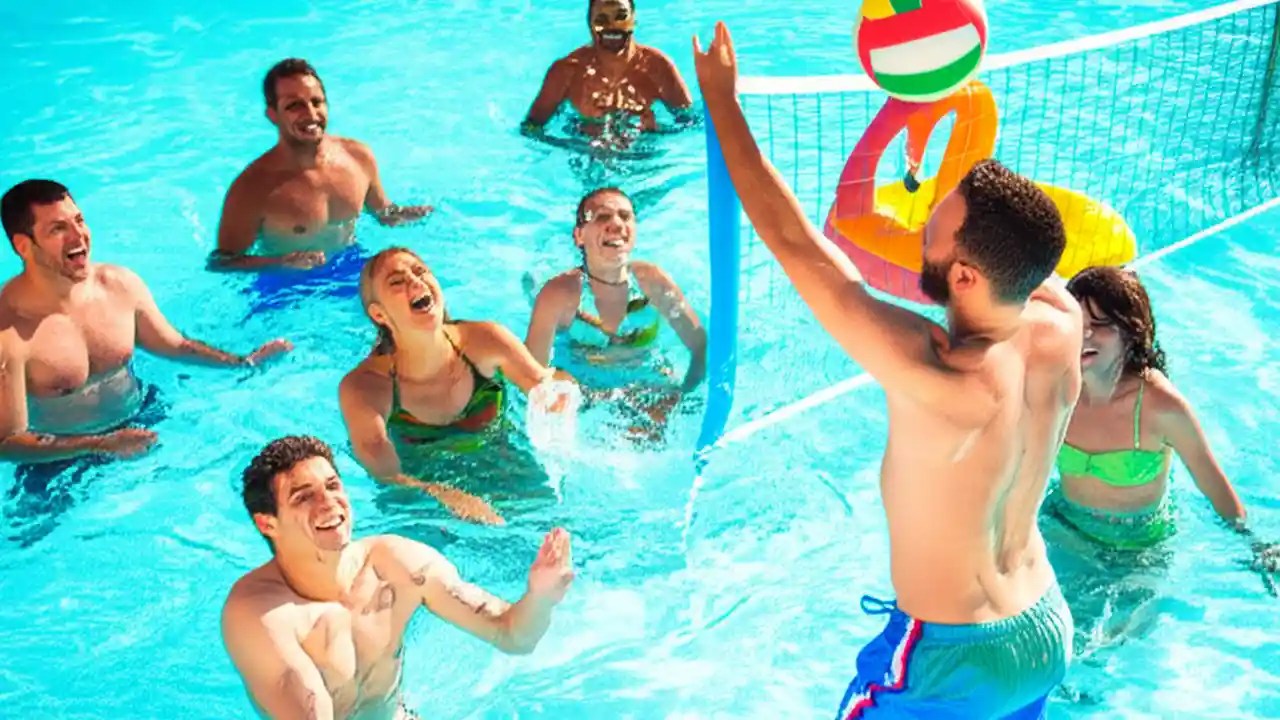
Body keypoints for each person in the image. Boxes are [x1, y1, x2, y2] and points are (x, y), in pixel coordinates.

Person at [694, 23, 1079, 719]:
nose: (919, 227)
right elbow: (1017, 245)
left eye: (932, 230)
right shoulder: (1060, 320)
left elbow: (797, 247)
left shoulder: (939, 373)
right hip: (1045, 628)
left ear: (965, 275)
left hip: (950, 658)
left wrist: (722, 102)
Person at [221, 435, 573, 719]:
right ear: (267, 524)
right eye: (304, 497)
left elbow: (513, 635)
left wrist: (540, 597)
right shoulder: (259, 615)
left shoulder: (397, 564)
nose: (329, 503)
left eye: (333, 486)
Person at [0, 179, 290, 464]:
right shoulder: (9, 332)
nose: (79, 237)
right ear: (24, 246)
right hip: (61, 459)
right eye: (58, 229)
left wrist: (242, 363)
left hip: (145, 417)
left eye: (79, 221)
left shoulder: (118, 285)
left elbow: (175, 345)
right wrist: (99, 445)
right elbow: (6, 442)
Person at [339, 248, 578, 524]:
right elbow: (385, 472)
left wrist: (558, 396)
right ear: (379, 314)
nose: (415, 282)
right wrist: (445, 496)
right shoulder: (366, 389)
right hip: (423, 506)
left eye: (420, 271)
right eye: (396, 281)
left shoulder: (485, 340)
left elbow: (541, 384)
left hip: (509, 474)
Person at [1051, 265, 1248, 548]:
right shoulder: (1058, 390)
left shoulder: (1162, 407)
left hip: (1138, 551)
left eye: (1100, 323)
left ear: (1130, 333)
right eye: (1077, 324)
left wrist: (1252, 543)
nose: (1085, 334)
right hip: (1064, 528)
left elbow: (1215, 488)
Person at [212, 58, 432, 273]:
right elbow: (222, 261)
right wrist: (280, 262)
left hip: (352, 266)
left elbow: (385, 213)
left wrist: (425, 214)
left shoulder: (358, 157)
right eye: (294, 105)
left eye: (317, 102)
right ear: (272, 115)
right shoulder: (253, 188)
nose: (311, 114)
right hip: (285, 286)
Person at [524, 187, 705, 437]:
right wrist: (567, 394)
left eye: (625, 216)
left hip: (648, 386)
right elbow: (530, 371)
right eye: (602, 217)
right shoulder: (559, 295)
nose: (617, 224)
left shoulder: (653, 283)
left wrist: (683, 395)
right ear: (579, 236)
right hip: (586, 392)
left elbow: (701, 347)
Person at [523, 0, 694, 136]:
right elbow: (530, 128)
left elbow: (690, 123)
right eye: (601, 20)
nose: (613, 26)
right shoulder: (566, 72)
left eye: (621, 17)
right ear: (589, 25)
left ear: (634, 21)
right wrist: (573, 145)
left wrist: (656, 132)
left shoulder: (657, 67)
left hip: (644, 155)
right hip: (584, 154)